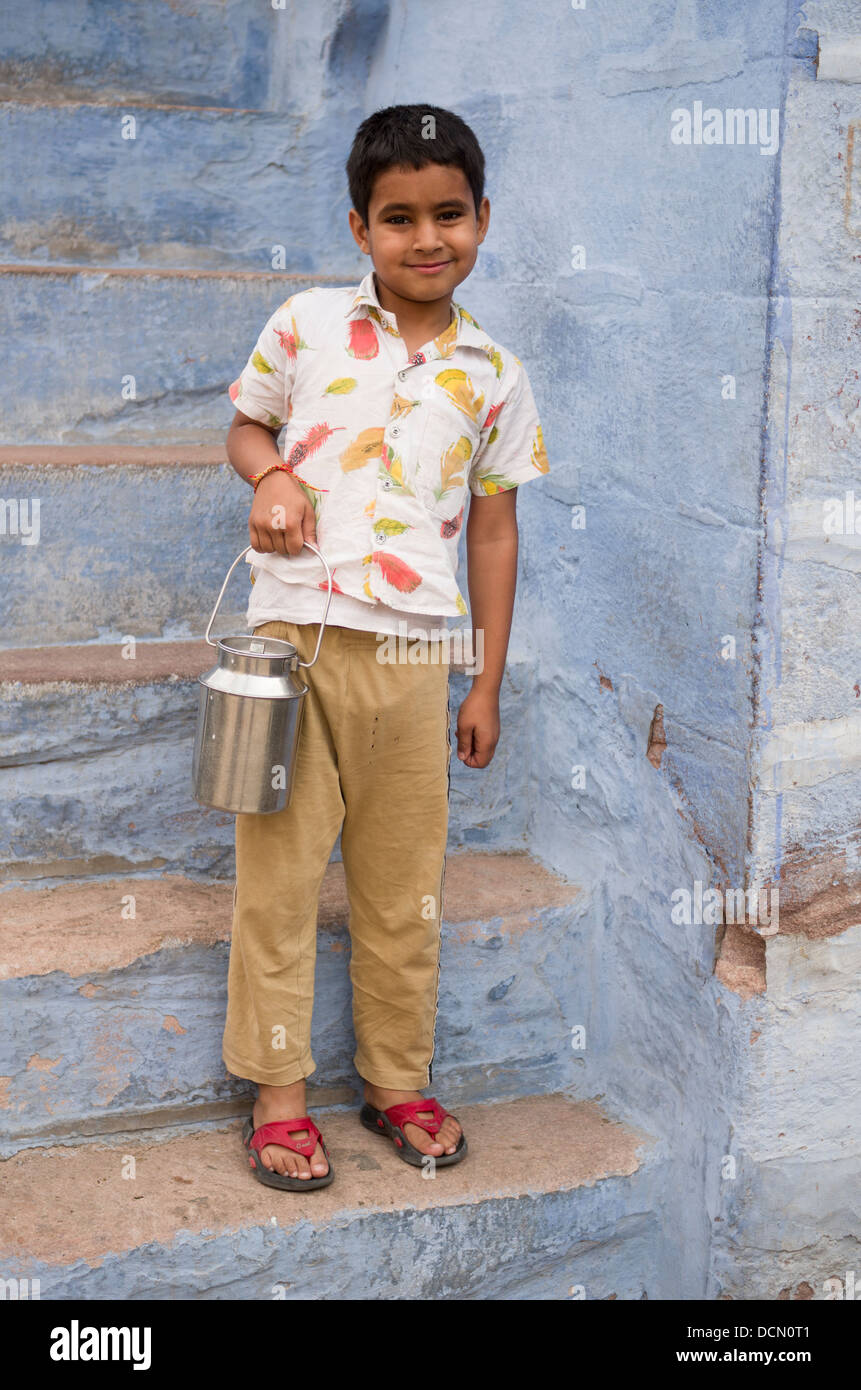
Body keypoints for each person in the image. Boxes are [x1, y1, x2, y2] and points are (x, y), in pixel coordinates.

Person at [222, 103, 550, 1190]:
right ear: (359, 227)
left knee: (403, 885)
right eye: (397, 217)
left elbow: (496, 527)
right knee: (279, 877)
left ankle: (394, 1078)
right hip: (297, 639)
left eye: (447, 214)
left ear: (483, 218)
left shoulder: (495, 373)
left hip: (417, 659)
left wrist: (485, 677)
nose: (426, 238)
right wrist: (268, 473)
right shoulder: (308, 324)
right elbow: (246, 424)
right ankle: (277, 1091)